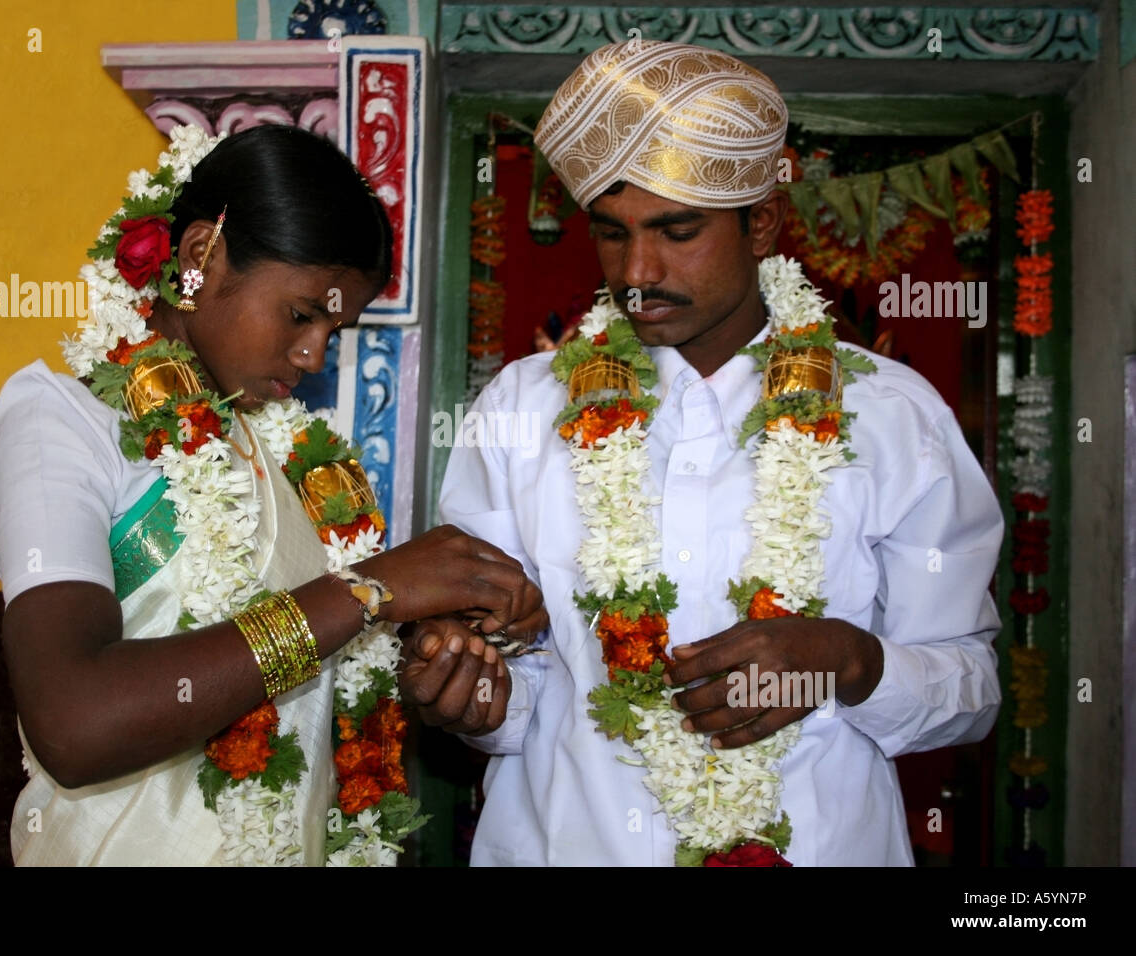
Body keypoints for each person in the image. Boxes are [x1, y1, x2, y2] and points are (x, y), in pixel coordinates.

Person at [400, 41, 1003, 866]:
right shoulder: (523, 406)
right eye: (612, 236)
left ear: (763, 222)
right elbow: (516, 681)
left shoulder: (893, 414)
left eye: (676, 232)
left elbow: (970, 688)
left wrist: (852, 661)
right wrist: (473, 695)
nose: (638, 272)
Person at [0, 123, 544, 866]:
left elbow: (305, 690)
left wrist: (429, 658)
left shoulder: (294, 463)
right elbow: (74, 724)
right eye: (303, 313)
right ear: (197, 259)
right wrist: (370, 591)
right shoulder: (62, 422)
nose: (313, 356)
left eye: (335, 332)